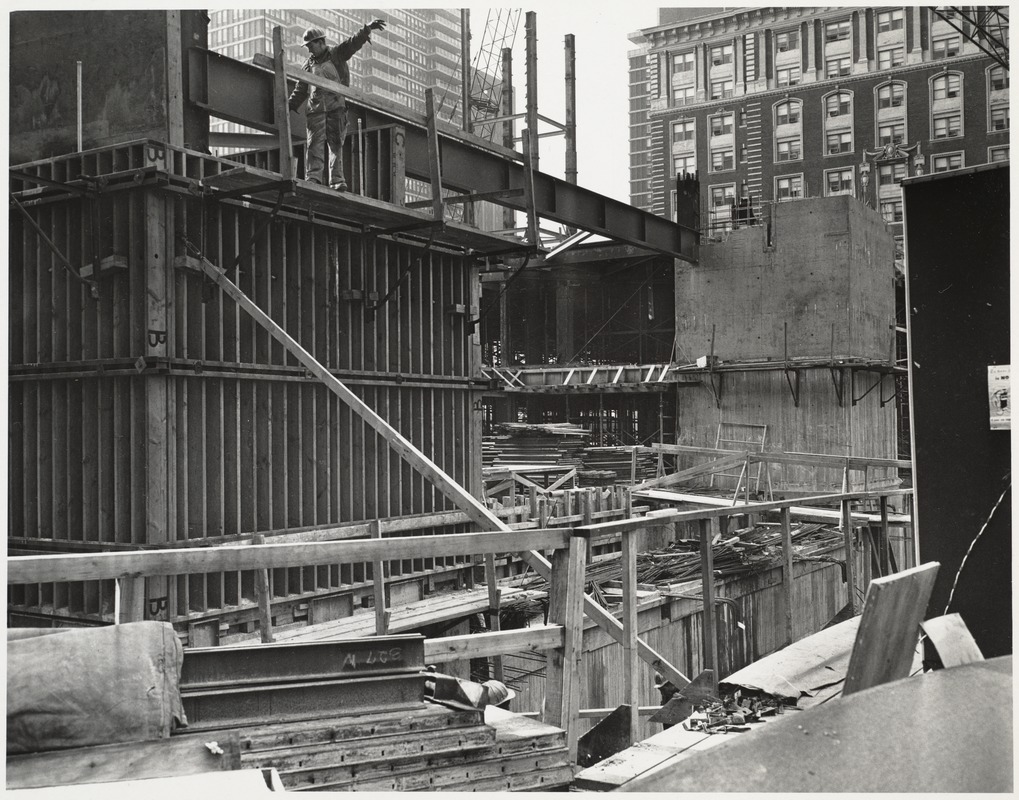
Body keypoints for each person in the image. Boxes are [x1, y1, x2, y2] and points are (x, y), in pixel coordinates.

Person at [288, 19, 386, 191]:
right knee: (314, 145)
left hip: (336, 108)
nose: (309, 49)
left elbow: (352, 43)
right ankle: (314, 178)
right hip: (316, 110)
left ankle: (337, 180)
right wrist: (288, 105)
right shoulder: (308, 65)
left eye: (310, 45)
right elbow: (301, 89)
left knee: (336, 144)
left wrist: (366, 30)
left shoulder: (336, 54)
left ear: (320, 42)